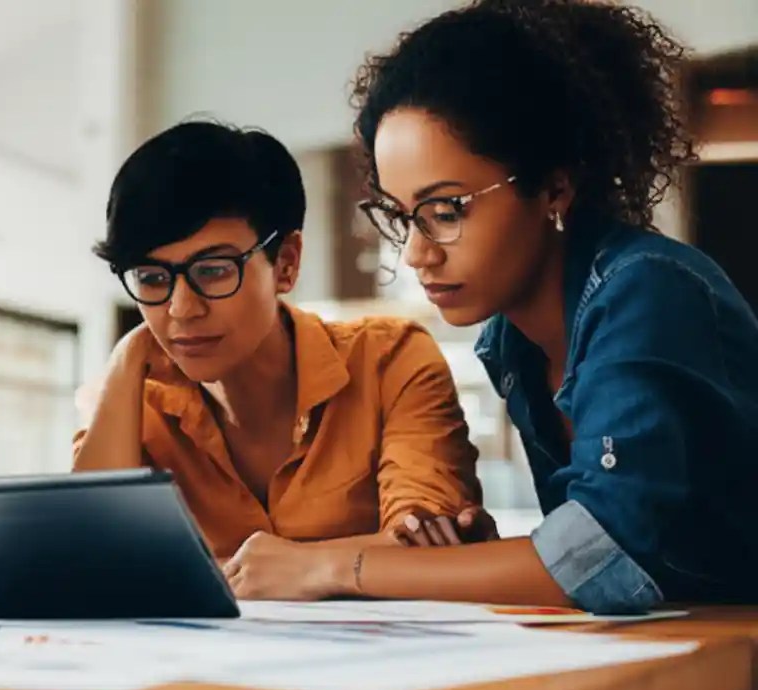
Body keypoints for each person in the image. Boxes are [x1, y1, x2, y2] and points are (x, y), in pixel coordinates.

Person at [226, 0, 758, 612]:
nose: (417, 254)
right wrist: (465, 557)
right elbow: (610, 557)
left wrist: (329, 566)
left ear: (554, 187)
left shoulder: (646, 290)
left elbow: (601, 560)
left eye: (446, 211)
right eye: (401, 217)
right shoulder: (510, 341)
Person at [74, 120, 489, 600]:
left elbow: (429, 548)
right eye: (150, 278)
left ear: (286, 263)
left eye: (213, 271)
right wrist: (127, 357)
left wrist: (298, 566)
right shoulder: (135, 405)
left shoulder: (389, 361)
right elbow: (86, 562)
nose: (181, 309)